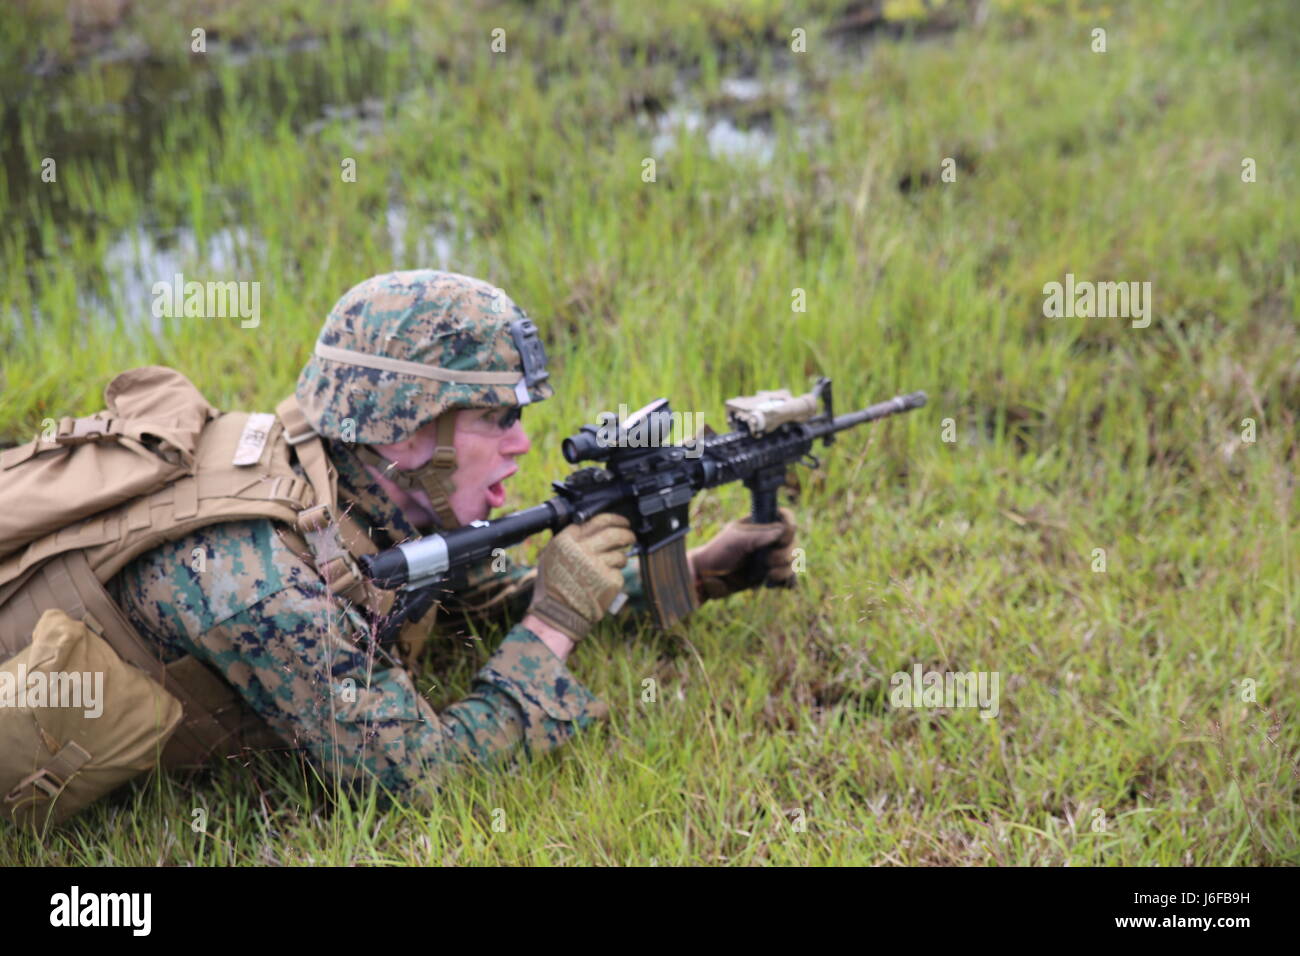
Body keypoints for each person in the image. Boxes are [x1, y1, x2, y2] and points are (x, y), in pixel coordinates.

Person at [106, 269, 798, 805]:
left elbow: (468, 605)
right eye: (497, 419)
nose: (523, 445)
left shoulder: (353, 470)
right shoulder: (260, 582)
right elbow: (421, 777)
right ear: (408, 431)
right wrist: (555, 626)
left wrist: (697, 572)